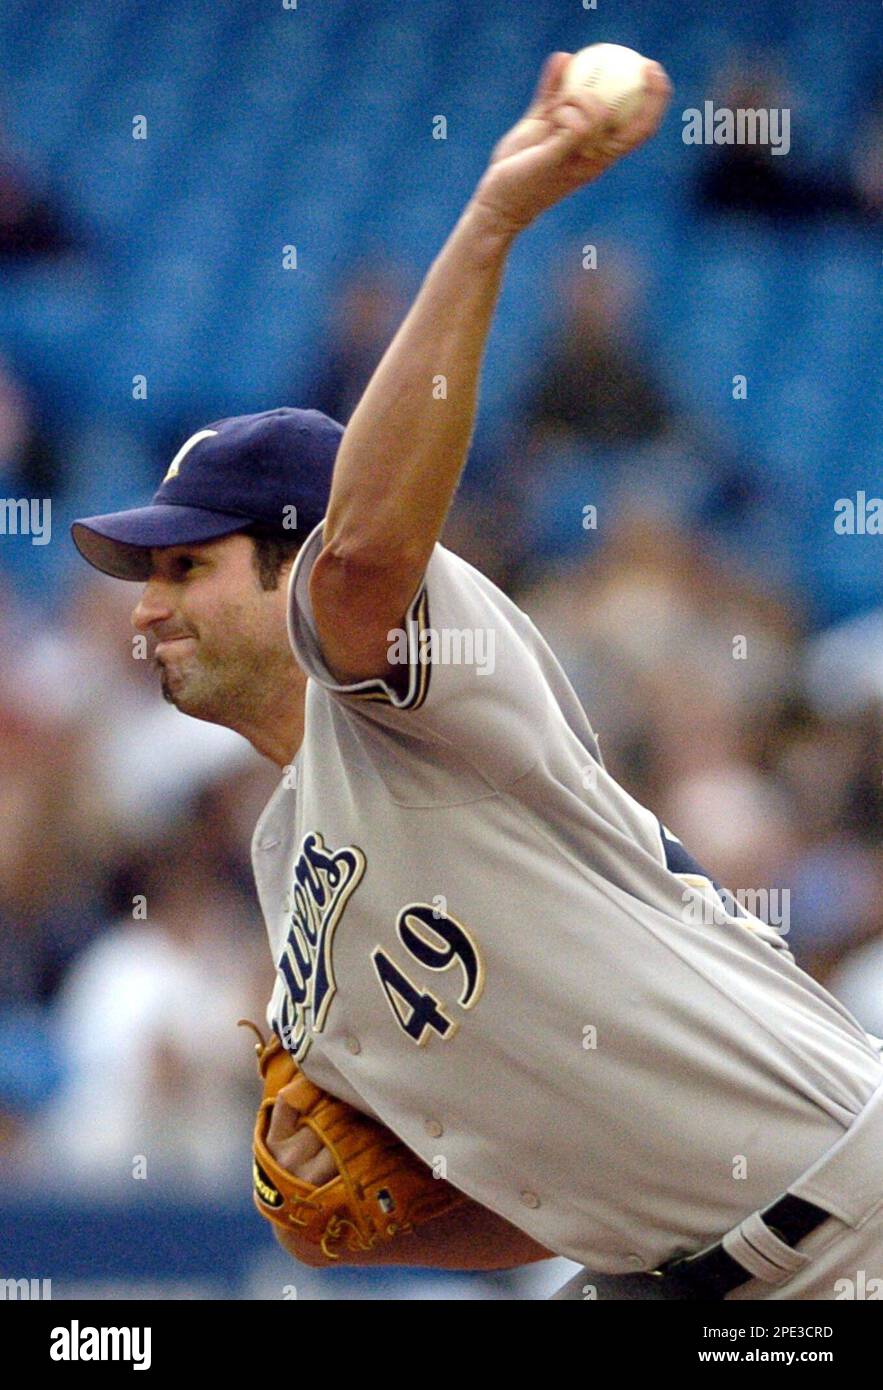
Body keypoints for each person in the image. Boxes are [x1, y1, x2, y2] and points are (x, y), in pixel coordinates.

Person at [71, 54, 883, 1300]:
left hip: (848, 1226)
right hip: (662, 1280)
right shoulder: (292, 895)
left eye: (186, 563)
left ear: (288, 561)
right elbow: (514, 1190)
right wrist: (343, 1213)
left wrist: (492, 221)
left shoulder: (410, 684)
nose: (149, 603)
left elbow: (365, 559)